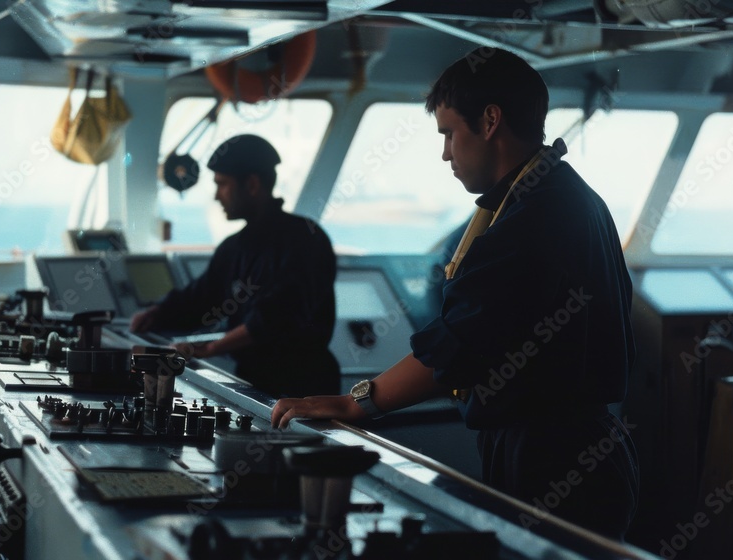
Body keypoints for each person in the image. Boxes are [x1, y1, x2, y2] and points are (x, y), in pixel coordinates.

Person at [271, 49, 639, 541]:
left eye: (448, 132)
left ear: (490, 121)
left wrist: (354, 404)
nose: (445, 152)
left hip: (552, 457)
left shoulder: (528, 221)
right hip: (580, 448)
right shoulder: (568, 196)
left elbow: (459, 346)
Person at [131, 134, 340, 398]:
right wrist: (158, 313)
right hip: (253, 378)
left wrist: (211, 347)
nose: (217, 196)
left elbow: (279, 316)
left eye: (223, 184)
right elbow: (201, 297)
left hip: (304, 385)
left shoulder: (305, 239)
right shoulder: (235, 246)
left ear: (252, 184)